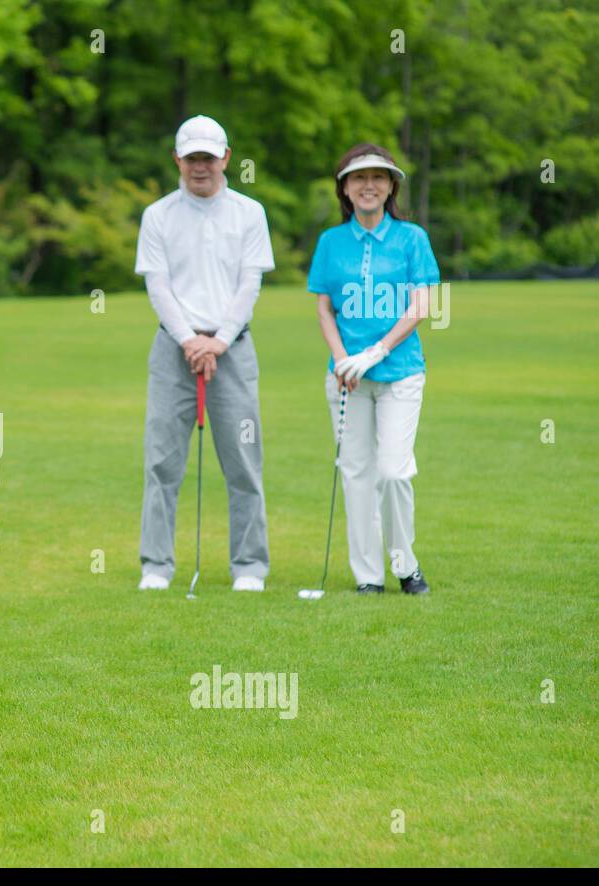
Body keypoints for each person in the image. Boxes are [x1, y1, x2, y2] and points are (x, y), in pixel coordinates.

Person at [134, 115, 276, 593]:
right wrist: (190, 341)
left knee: (243, 459)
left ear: (226, 159)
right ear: (177, 159)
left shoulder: (249, 213)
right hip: (173, 347)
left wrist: (218, 340)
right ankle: (156, 565)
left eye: (208, 158)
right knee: (162, 461)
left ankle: (250, 567)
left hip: (232, 347)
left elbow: (249, 283)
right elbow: (158, 285)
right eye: (192, 158)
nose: (201, 167)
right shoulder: (158, 215)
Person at [306, 144, 439, 595]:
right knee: (356, 473)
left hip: (400, 372)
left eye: (378, 178)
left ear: (391, 187)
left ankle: (405, 563)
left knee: (393, 471)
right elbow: (325, 308)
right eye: (359, 178)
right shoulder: (330, 243)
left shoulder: (412, 239)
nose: (369, 186)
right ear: (344, 187)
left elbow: (424, 303)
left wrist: (376, 351)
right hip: (347, 379)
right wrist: (344, 357)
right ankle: (368, 576)